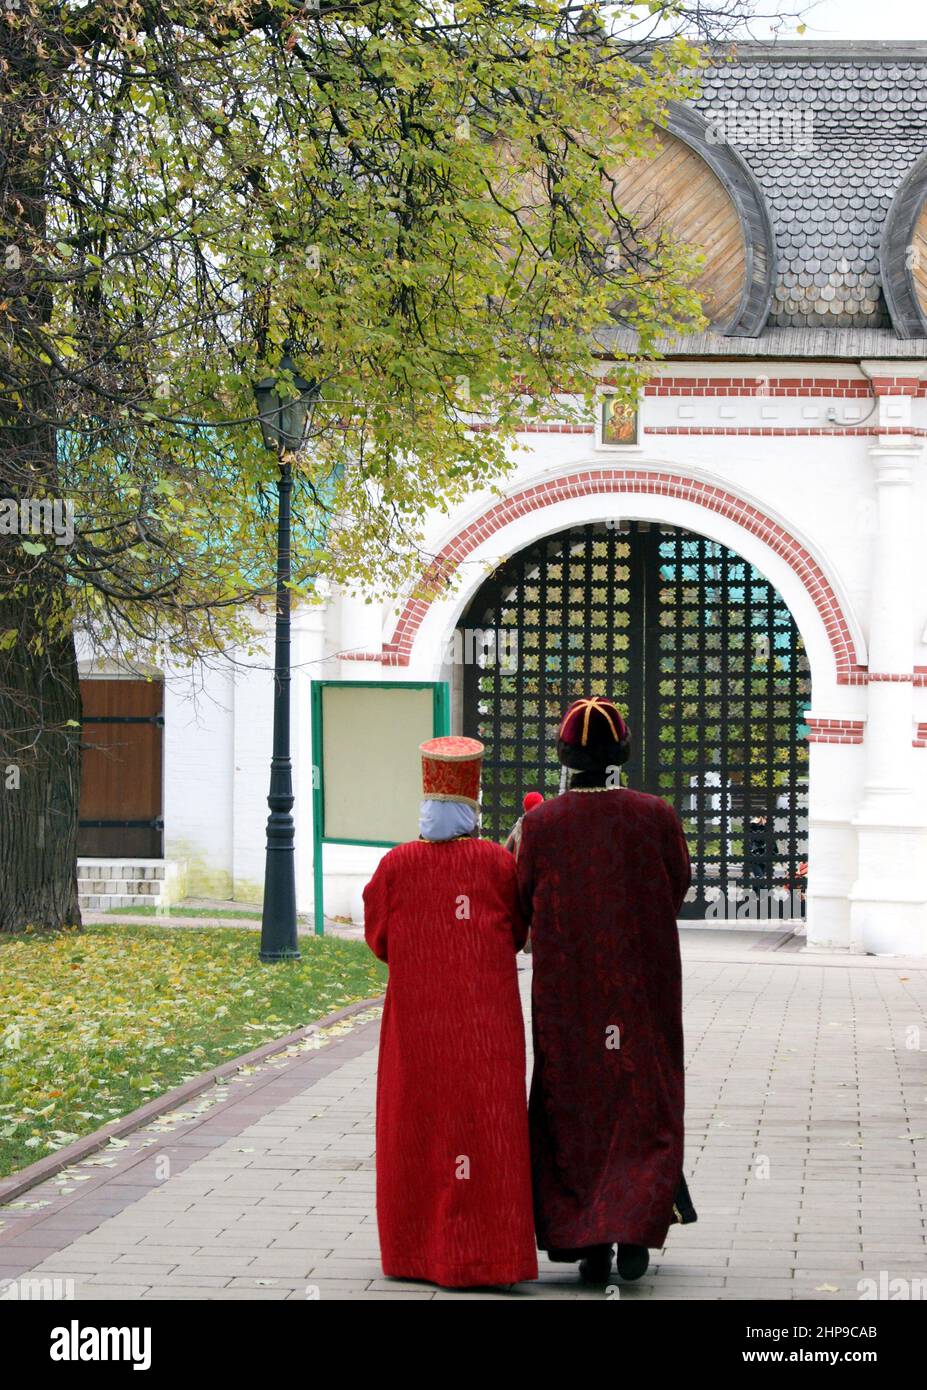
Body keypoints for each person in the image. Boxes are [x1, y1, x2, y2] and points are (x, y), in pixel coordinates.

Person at [517, 696, 694, 1284]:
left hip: (569, 994)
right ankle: (635, 1225)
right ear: (621, 751)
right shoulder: (655, 815)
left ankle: (585, 1241)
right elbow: (676, 889)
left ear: (565, 754)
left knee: (574, 1100)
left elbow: (523, 900)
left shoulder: (542, 824)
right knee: (643, 1097)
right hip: (643, 986)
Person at [363, 734, 538, 1289]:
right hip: (486, 1032)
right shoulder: (495, 864)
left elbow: (378, 937)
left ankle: (414, 1253)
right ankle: (490, 1256)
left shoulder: (395, 865)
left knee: (417, 1127)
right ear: (472, 808)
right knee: (486, 1130)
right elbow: (517, 932)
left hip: (417, 1029)